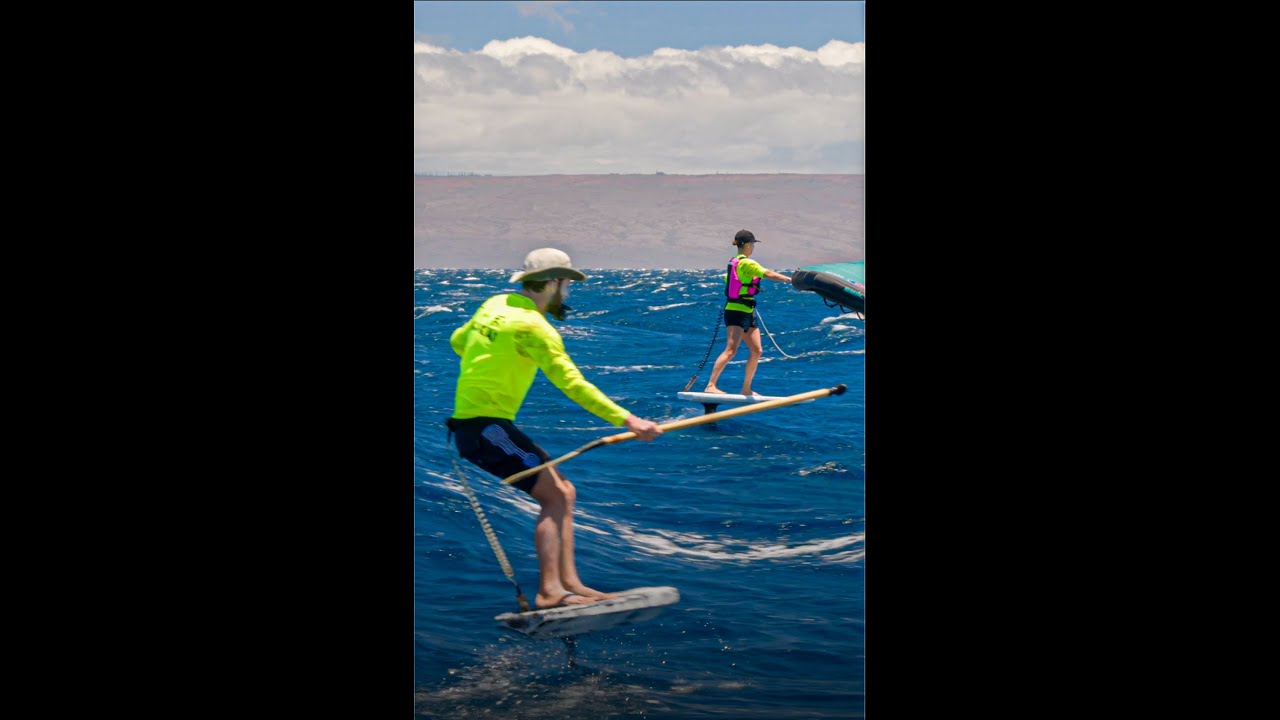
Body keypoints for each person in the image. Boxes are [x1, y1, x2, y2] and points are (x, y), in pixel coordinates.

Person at [447, 248, 663, 609]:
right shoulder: (536, 329)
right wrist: (630, 421)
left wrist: (491, 362)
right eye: (565, 285)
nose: (566, 294)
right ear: (552, 283)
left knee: (565, 490)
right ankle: (550, 592)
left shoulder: (495, 305)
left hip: (476, 426)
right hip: (486, 429)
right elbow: (574, 385)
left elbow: (458, 341)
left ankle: (571, 584)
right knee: (554, 496)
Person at [703, 229, 793, 396]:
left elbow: (730, 280)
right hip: (736, 311)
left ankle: (746, 389)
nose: (753, 247)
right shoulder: (747, 263)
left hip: (747, 311)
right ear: (746, 245)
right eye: (752, 244)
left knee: (757, 350)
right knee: (731, 350)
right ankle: (711, 385)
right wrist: (790, 280)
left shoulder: (734, 262)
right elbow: (767, 274)